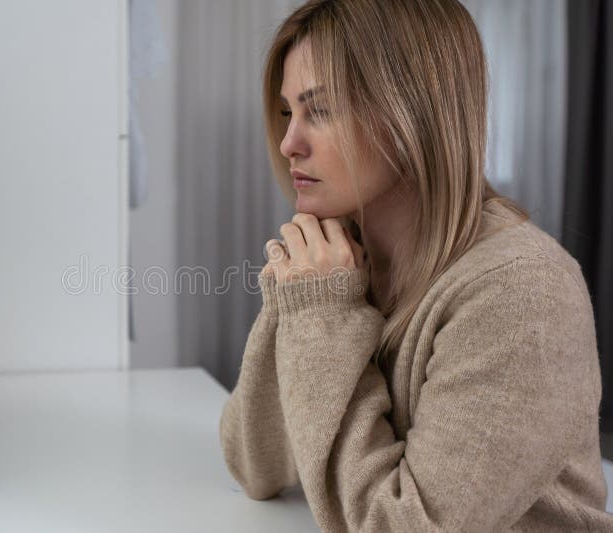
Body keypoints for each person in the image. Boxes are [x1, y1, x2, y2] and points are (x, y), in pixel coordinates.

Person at [218, 0, 613, 531]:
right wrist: (299, 301)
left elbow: (403, 526)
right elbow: (254, 463)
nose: (289, 142)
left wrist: (321, 315)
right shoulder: (340, 264)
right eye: (289, 111)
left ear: (412, 113)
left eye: (322, 109)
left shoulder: (523, 292)